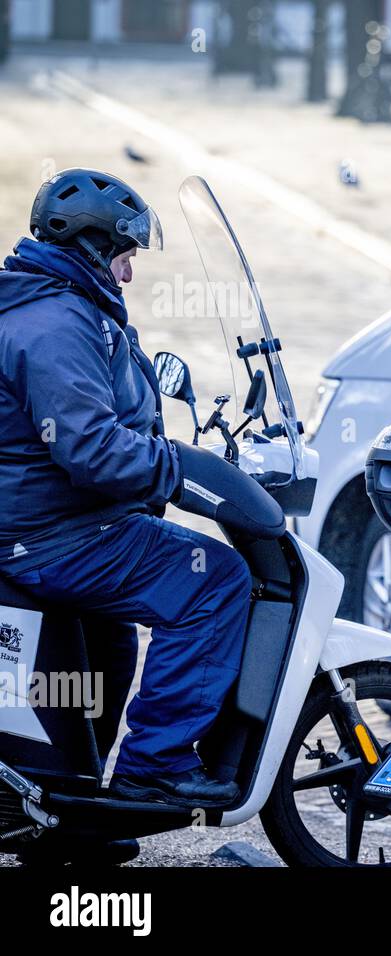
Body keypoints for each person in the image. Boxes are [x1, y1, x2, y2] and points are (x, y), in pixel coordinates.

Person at [0, 168, 251, 825]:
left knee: (113, 645)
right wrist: (178, 470)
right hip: (52, 535)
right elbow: (90, 451)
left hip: (62, 523)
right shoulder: (55, 324)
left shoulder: (66, 306)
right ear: (88, 247)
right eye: (123, 255)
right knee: (214, 579)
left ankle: (74, 812)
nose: (129, 272)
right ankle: (157, 768)